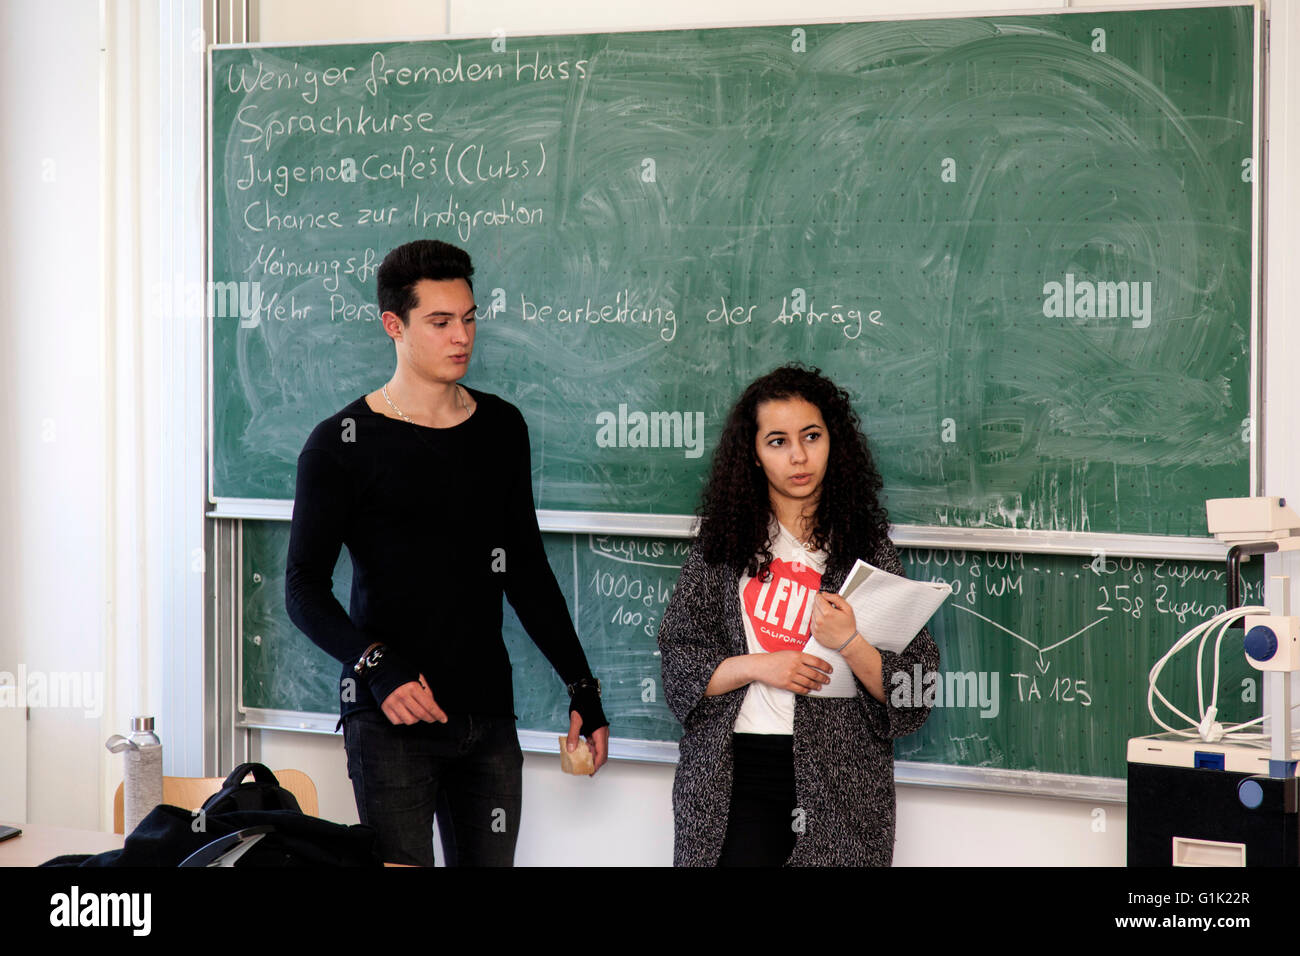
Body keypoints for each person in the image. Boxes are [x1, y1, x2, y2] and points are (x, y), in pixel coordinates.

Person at [285, 238, 609, 867]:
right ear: (393, 325)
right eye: (440, 321)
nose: (461, 335)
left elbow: (527, 571)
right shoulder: (340, 444)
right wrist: (376, 663)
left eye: (468, 317)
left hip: (486, 716)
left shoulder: (500, 429)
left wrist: (582, 687)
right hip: (390, 721)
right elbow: (303, 588)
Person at [657, 363, 939, 866]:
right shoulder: (722, 547)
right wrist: (762, 665)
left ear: (835, 441)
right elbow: (679, 661)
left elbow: (914, 690)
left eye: (811, 436)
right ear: (755, 454)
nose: (799, 457)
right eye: (778, 441)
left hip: (840, 783)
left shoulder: (866, 550)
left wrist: (850, 641)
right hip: (732, 774)